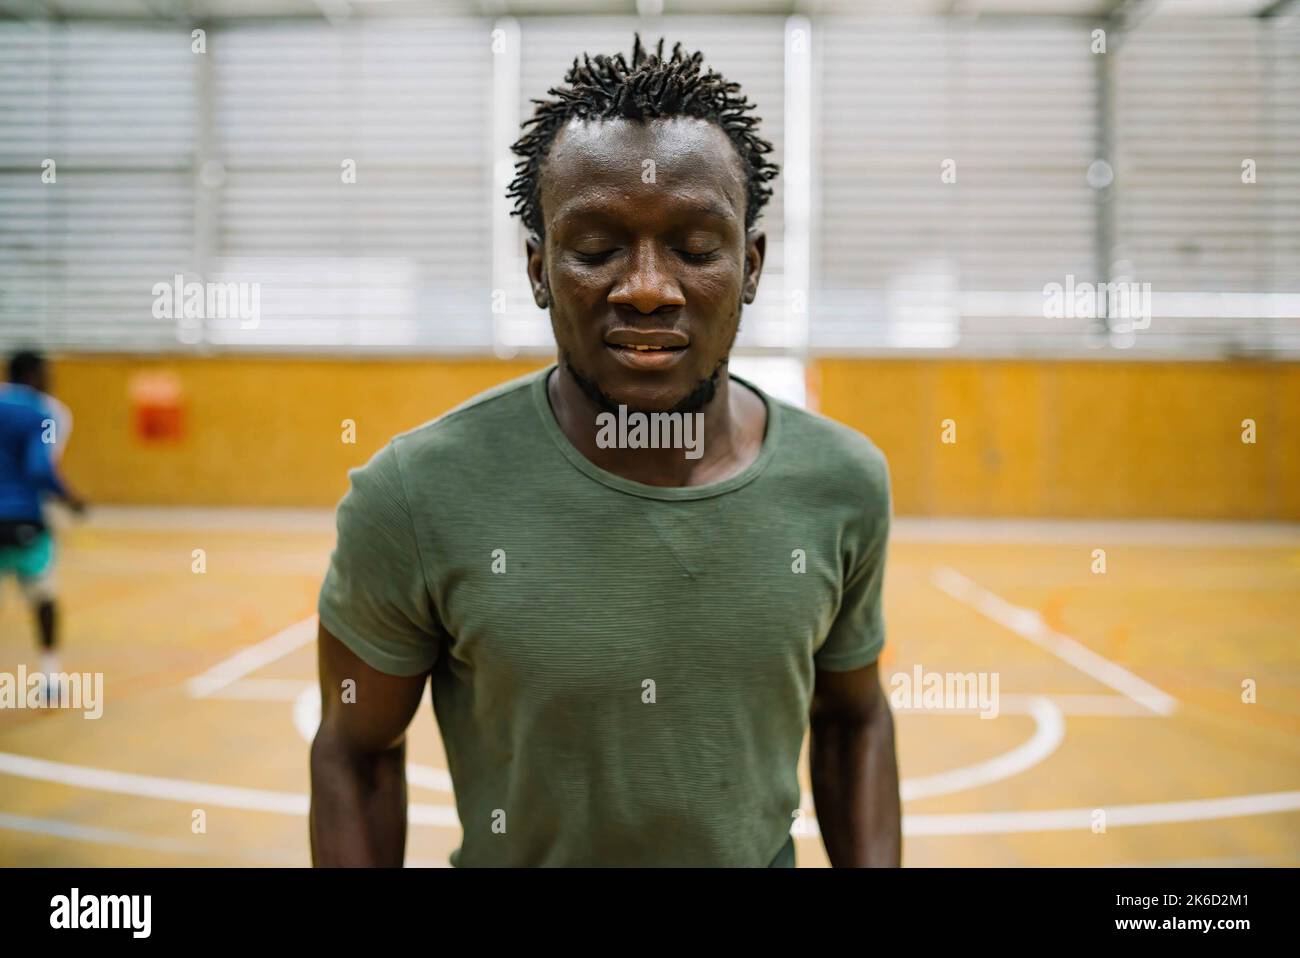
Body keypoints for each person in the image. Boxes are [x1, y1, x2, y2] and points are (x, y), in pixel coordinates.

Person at [310, 36, 900, 867]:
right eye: (595, 250)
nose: (649, 289)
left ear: (752, 265)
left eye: (696, 249)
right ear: (539, 268)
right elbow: (354, 752)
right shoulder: (414, 495)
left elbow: (854, 719)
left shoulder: (842, 484)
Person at [0, 350, 85, 699]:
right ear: (35, 374)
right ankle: (50, 676)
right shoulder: (44, 413)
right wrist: (71, 498)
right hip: (25, 521)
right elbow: (40, 467)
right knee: (43, 597)